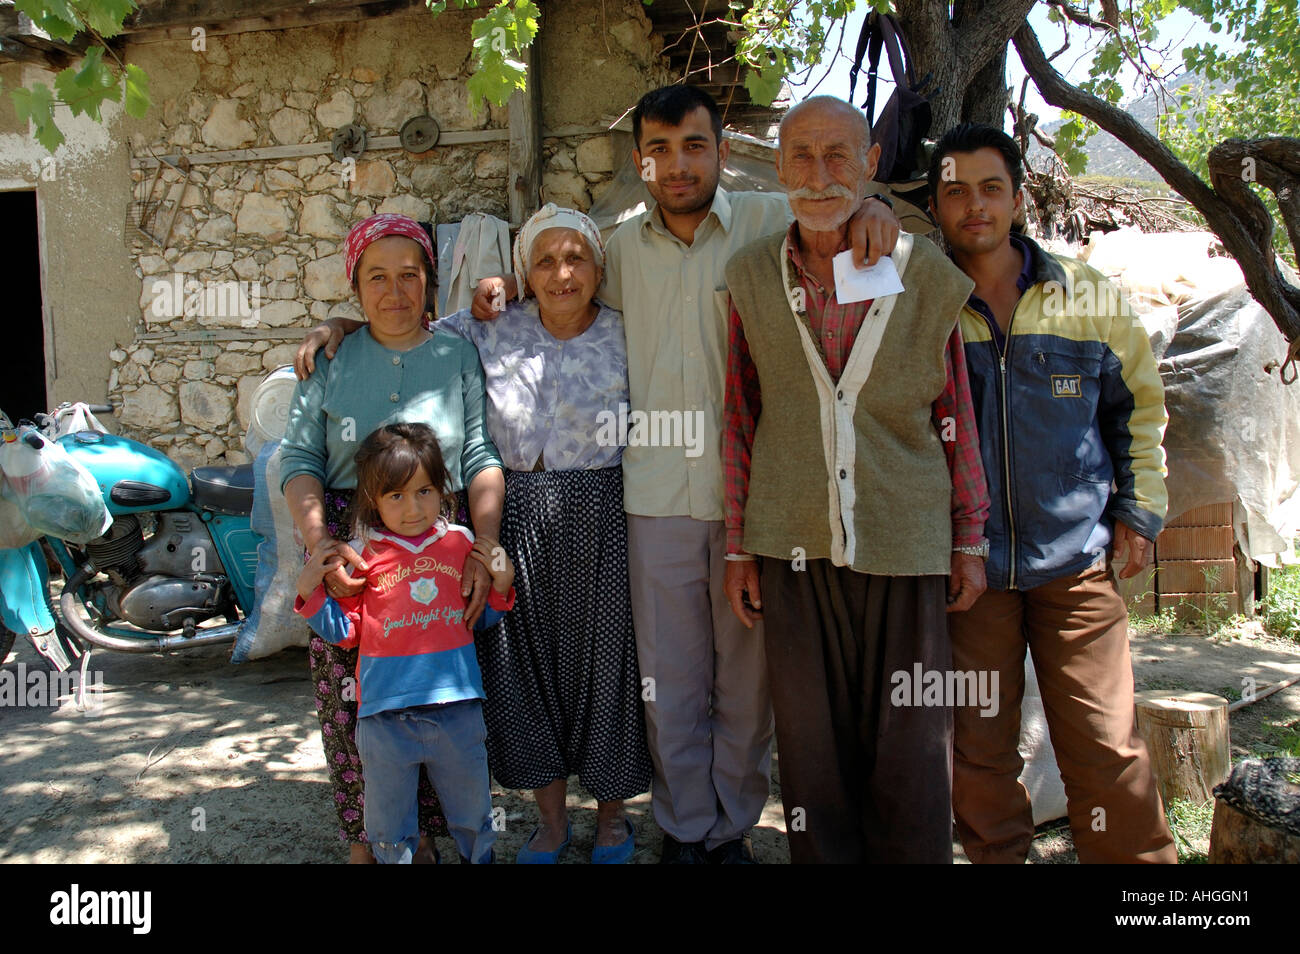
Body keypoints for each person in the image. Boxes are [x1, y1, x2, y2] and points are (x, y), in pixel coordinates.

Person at [299, 85, 901, 864]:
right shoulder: (582, 271)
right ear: (640, 162)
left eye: (694, 145)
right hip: (605, 510)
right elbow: (440, 314)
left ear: (720, 149)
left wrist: (875, 204)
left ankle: (724, 832)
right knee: (649, 683)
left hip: (719, 500)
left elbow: (831, 201)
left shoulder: (759, 221)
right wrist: (346, 323)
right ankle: (679, 829)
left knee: (727, 688)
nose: (678, 165)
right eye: (660, 150)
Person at [722, 95, 991, 864]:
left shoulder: (923, 270)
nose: (819, 174)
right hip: (792, 541)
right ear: (777, 169)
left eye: (840, 154)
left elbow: (955, 411)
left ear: (872, 164)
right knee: (810, 748)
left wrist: (970, 534)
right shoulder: (749, 276)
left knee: (912, 741)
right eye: (801, 156)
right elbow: (740, 415)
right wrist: (740, 545)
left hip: (905, 539)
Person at [929, 122, 1176, 864]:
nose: (974, 205)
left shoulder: (1085, 295)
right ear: (935, 205)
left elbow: (1138, 406)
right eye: (955, 191)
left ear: (1017, 196)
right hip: (967, 571)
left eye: (990, 188)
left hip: (1076, 563)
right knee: (978, 748)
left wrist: (1137, 510)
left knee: (1106, 742)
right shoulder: (921, 303)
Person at [281, 213, 506, 863]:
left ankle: (435, 833)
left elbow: (481, 453)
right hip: (350, 537)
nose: (395, 290)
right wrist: (321, 548)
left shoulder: (456, 354)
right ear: (354, 288)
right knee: (351, 692)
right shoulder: (328, 357)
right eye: (376, 276)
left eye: (410, 274)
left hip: (442, 538)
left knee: (441, 685)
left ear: (430, 283)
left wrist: (484, 550)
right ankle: (370, 836)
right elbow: (300, 461)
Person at [435, 203, 652, 864]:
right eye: (545, 260)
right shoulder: (490, 328)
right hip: (510, 515)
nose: (563, 272)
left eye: (576, 257)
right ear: (524, 272)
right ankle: (553, 823)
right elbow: (407, 337)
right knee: (519, 669)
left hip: (604, 516)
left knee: (610, 667)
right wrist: (344, 323)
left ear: (598, 266)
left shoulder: (626, 331)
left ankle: (613, 818)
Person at [295, 422, 516, 864]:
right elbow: (345, 633)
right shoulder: (362, 555)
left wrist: (502, 585)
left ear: (442, 490)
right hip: (383, 719)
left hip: (458, 712)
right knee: (390, 828)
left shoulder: (461, 544)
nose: (413, 508)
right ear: (372, 500)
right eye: (396, 495)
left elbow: (481, 619)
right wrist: (310, 591)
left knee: (473, 817)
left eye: (425, 491)